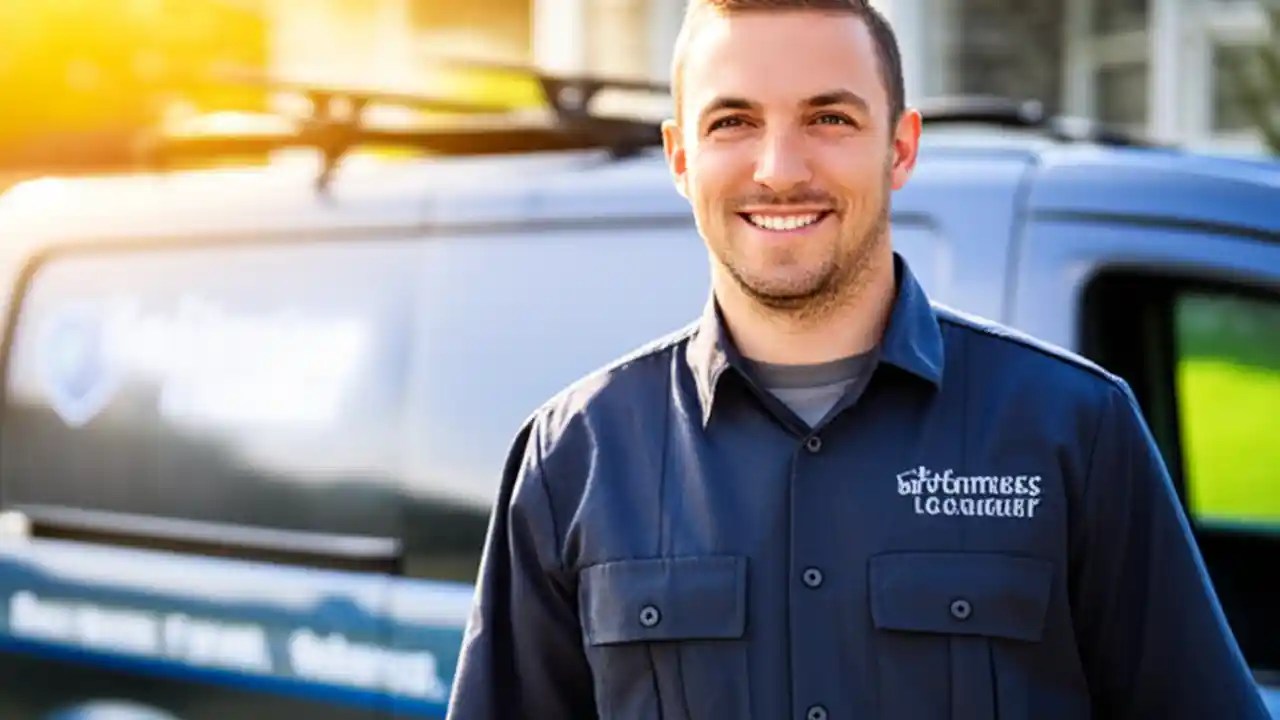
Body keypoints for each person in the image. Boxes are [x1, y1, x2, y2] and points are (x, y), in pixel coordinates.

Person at [446, 1, 1270, 718]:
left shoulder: (1074, 430)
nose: (780, 169)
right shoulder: (571, 460)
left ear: (901, 148)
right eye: (733, 121)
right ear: (680, 156)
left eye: (829, 118)